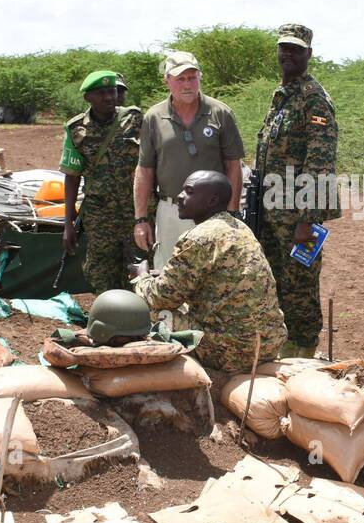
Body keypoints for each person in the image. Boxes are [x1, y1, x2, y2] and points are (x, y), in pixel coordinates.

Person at [132, 170, 287, 373]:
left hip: (233, 351)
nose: (180, 196)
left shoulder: (199, 237)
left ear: (212, 201)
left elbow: (160, 298)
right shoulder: (239, 227)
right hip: (268, 342)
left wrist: (141, 276)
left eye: (189, 192)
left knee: (149, 310)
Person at [255, 24, 339, 358]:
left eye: (296, 49)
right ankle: (284, 345)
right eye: (283, 48)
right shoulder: (282, 95)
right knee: (276, 278)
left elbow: (320, 165)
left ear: (309, 54)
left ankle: (304, 349)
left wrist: (307, 220)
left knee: (301, 282)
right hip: (272, 210)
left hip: (300, 217)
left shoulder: (314, 99)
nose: (288, 54)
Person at [134, 51, 245, 270]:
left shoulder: (221, 113)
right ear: (167, 81)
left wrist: (231, 213)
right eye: (180, 79)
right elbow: (144, 170)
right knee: (168, 274)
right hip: (171, 210)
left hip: (213, 215)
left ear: (200, 78)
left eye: (192, 77)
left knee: (214, 275)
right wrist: (141, 219)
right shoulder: (154, 117)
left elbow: (234, 165)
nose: (187, 85)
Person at [60, 70, 142, 295]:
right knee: (101, 270)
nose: (109, 97)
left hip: (138, 210)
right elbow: (72, 175)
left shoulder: (135, 119)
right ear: (88, 98)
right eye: (101, 93)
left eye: (112, 91)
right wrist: (68, 223)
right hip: (100, 213)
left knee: (142, 265)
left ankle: (140, 318)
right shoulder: (76, 129)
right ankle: (110, 317)